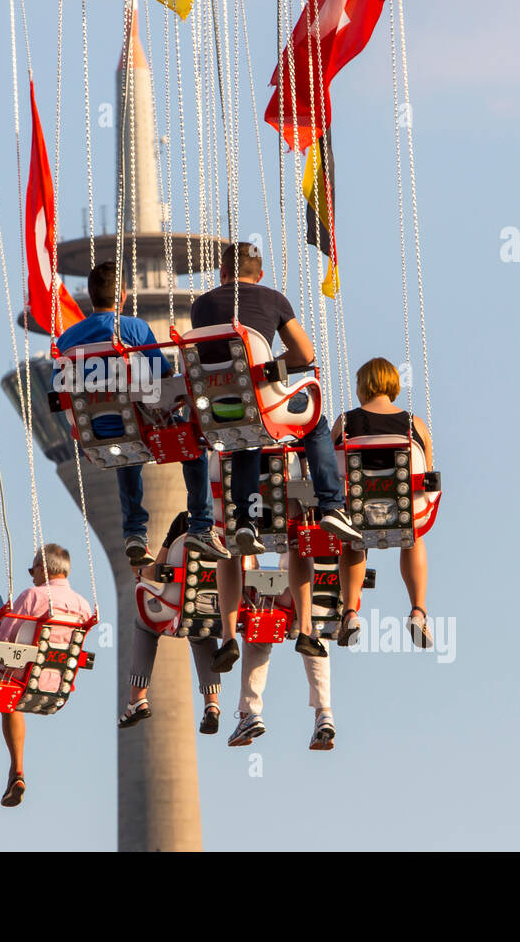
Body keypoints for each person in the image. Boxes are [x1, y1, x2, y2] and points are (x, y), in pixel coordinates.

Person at [189, 241, 362, 670]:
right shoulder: (272, 299)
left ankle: (245, 520)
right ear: (259, 274)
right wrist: (274, 367)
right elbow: (307, 355)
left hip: (220, 410)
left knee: (245, 437)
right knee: (314, 420)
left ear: (222, 273)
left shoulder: (201, 306)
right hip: (262, 403)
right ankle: (331, 503)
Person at [57, 260, 229, 566]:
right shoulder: (135, 329)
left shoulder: (67, 340)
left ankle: (135, 532)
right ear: (122, 295)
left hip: (93, 431)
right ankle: (202, 525)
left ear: (92, 295)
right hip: (138, 425)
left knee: (127, 446)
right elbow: (162, 379)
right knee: (193, 444)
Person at [0, 544, 93, 808]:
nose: (31, 574)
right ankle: (16, 772)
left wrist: (1, 619)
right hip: (54, 683)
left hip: (19, 674)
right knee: (11, 697)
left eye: (33, 569)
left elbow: (4, 639)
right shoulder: (84, 606)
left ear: (44, 568)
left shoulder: (32, 596)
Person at [332, 357, 435, 649]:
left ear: (363, 386)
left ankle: (350, 612)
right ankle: (418, 609)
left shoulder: (345, 423)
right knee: (413, 538)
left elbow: (328, 467)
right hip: (403, 509)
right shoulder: (415, 425)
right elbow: (426, 477)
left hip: (358, 509)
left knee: (354, 541)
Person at [221, 552, 338, 751]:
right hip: (319, 593)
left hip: (287, 593)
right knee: (316, 634)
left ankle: (249, 711)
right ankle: (324, 712)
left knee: (259, 622)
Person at [118, 512, 222, 734]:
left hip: (180, 607)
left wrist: (139, 570)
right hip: (222, 609)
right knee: (202, 629)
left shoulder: (184, 521)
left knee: (144, 625)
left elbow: (157, 571)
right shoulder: (231, 523)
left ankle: (138, 699)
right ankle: (211, 704)